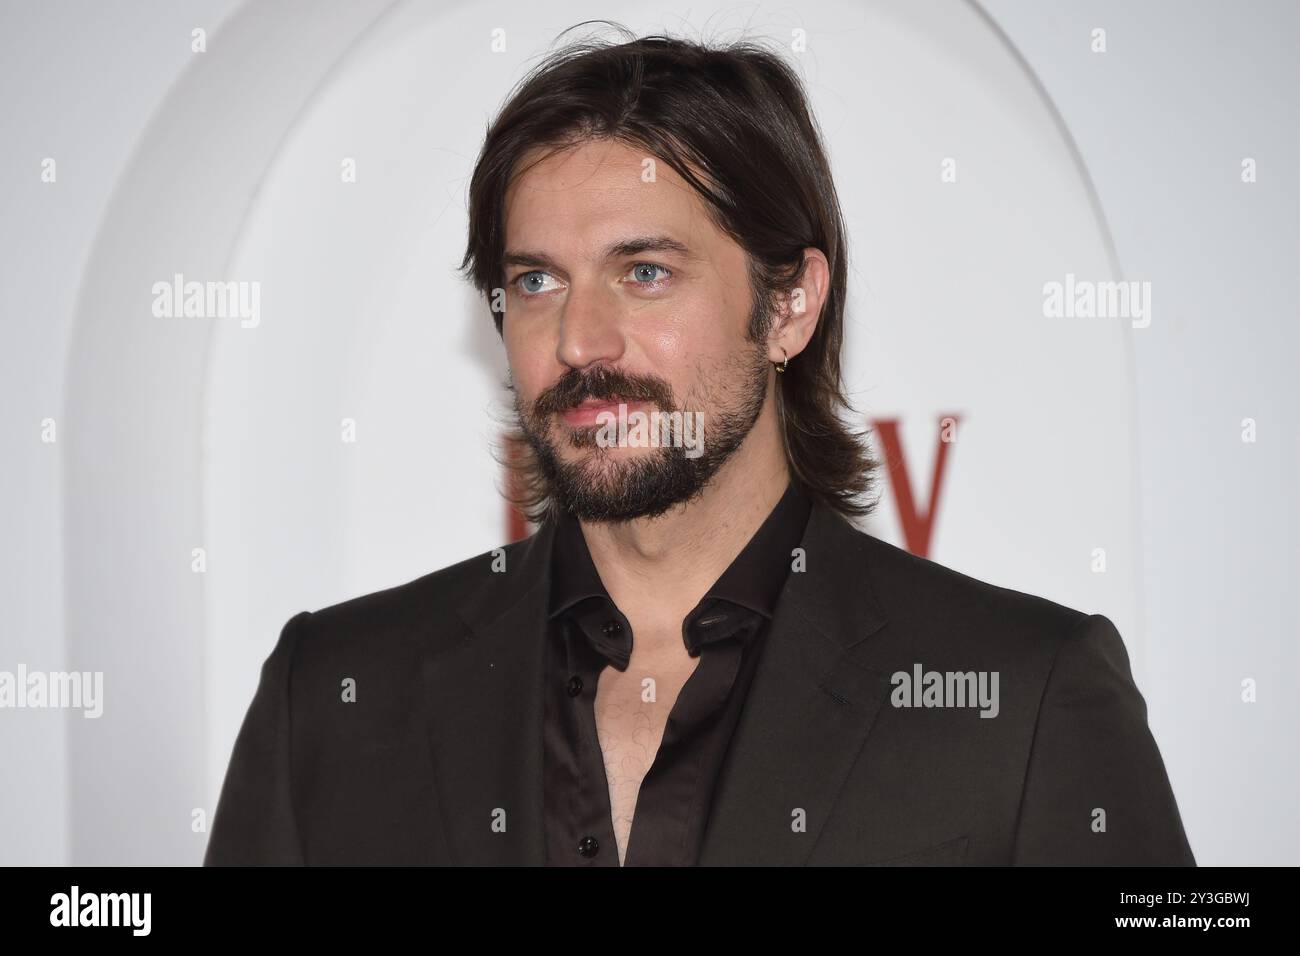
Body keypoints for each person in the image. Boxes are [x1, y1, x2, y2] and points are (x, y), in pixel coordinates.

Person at [204, 28, 1194, 866]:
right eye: (538, 281)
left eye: (643, 271)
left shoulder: (1021, 700)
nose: (579, 341)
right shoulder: (334, 694)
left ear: (790, 304)